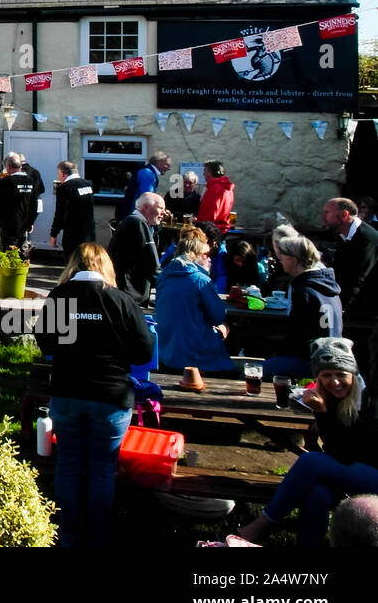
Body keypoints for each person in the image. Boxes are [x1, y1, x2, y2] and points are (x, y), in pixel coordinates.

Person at [34, 243, 154, 548]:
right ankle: (97, 537)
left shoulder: (59, 298)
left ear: (72, 266)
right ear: (106, 267)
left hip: (68, 393)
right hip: (111, 397)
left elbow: (46, 345)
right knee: (103, 469)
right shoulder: (121, 300)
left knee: (69, 465)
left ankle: (67, 535)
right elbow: (144, 352)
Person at [237, 338, 378, 548]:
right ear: (318, 378)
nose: (335, 381)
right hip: (351, 473)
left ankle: (261, 525)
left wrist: (323, 415)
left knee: (311, 462)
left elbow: (344, 455)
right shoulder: (331, 398)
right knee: (317, 494)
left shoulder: (366, 402)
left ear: (353, 375)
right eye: (327, 375)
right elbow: (333, 452)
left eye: (341, 374)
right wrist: (321, 422)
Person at [263, 233, 344, 381]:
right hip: (336, 356)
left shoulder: (304, 291)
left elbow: (295, 336)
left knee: (259, 371)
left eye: (283, 256)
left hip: (314, 360)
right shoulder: (329, 286)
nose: (280, 260)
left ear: (293, 260)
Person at [154, 224, 233, 373]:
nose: (209, 259)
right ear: (199, 255)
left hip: (165, 350)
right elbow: (218, 316)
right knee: (225, 329)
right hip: (194, 353)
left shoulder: (163, 276)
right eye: (207, 255)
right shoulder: (200, 280)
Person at [107, 192, 165, 306]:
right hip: (130, 293)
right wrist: (167, 285)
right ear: (146, 207)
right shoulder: (138, 223)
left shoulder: (132, 221)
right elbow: (151, 262)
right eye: (160, 208)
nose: (164, 213)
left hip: (125, 290)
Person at [323, 197, 378, 314]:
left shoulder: (366, 238)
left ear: (344, 215)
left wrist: (343, 309)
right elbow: (340, 272)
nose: (324, 217)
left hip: (364, 310)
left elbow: (361, 280)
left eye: (328, 212)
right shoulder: (343, 236)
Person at [0, 152, 42, 252]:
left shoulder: (7, 181)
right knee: (21, 249)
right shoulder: (31, 181)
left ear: (8, 166)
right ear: (20, 166)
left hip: (8, 223)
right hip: (24, 222)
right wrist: (31, 222)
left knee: (8, 249)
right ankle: (20, 266)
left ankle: (10, 267)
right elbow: (34, 203)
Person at [49, 159, 95, 262]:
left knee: (73, 265)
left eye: (58, 174)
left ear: (63, 174)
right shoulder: (87, 184)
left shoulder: (65, 188)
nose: (58, 177)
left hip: (73, 236)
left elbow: (60, 214)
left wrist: (53, 234)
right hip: (89, 234)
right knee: (87, 263)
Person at [115, 152, 170, 222]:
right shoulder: (147, 173)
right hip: (138, 219)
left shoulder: (147, 172)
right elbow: (147, 199)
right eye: (167, 165)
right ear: (159, 163)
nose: (169, 168)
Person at [195, 161, 235, 234]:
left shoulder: (215, 189)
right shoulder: (227, 188)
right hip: (221, 229)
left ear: (210, 173)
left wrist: (200, 225)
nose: (203, 174)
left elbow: (211, 213)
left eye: (205, 171)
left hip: (210, 230)